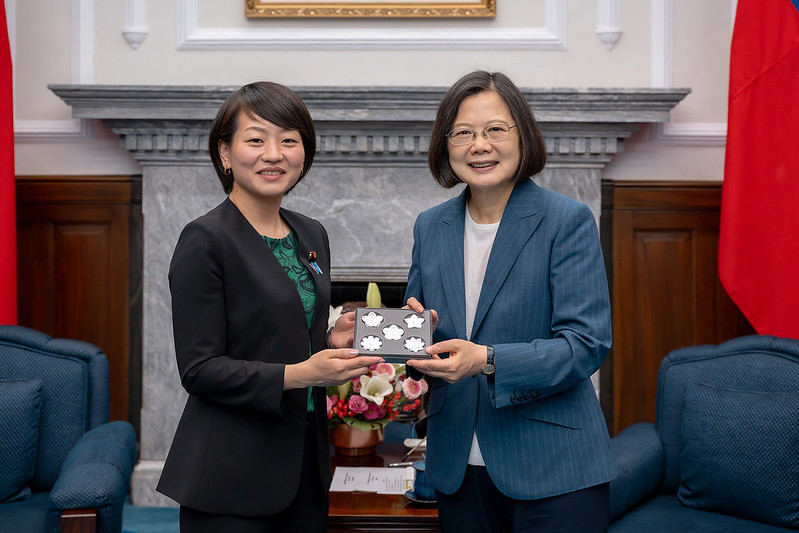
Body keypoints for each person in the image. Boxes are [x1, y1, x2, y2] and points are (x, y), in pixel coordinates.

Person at [156, 81, 381, 532]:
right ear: (225, 152)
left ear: (304, 153)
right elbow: (199, 369)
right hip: (230, 476)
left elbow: (278, 328)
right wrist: (305, 373)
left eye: (289, 140)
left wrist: (330, 336)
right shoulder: (205, 239)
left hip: (304, 468)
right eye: (256, 139)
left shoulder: (311, 233)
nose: (273, 153)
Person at [405, 71, 616, 532]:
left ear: (524, 136)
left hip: (555, 468)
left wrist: (487, 359)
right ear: (446, 145)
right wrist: (412, 337)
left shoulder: (567, 220)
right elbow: (419, 331)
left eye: (495, 129)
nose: (479, 145)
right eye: (463, 133)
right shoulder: (429, 226)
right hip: (456, 464)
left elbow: (586, 343)